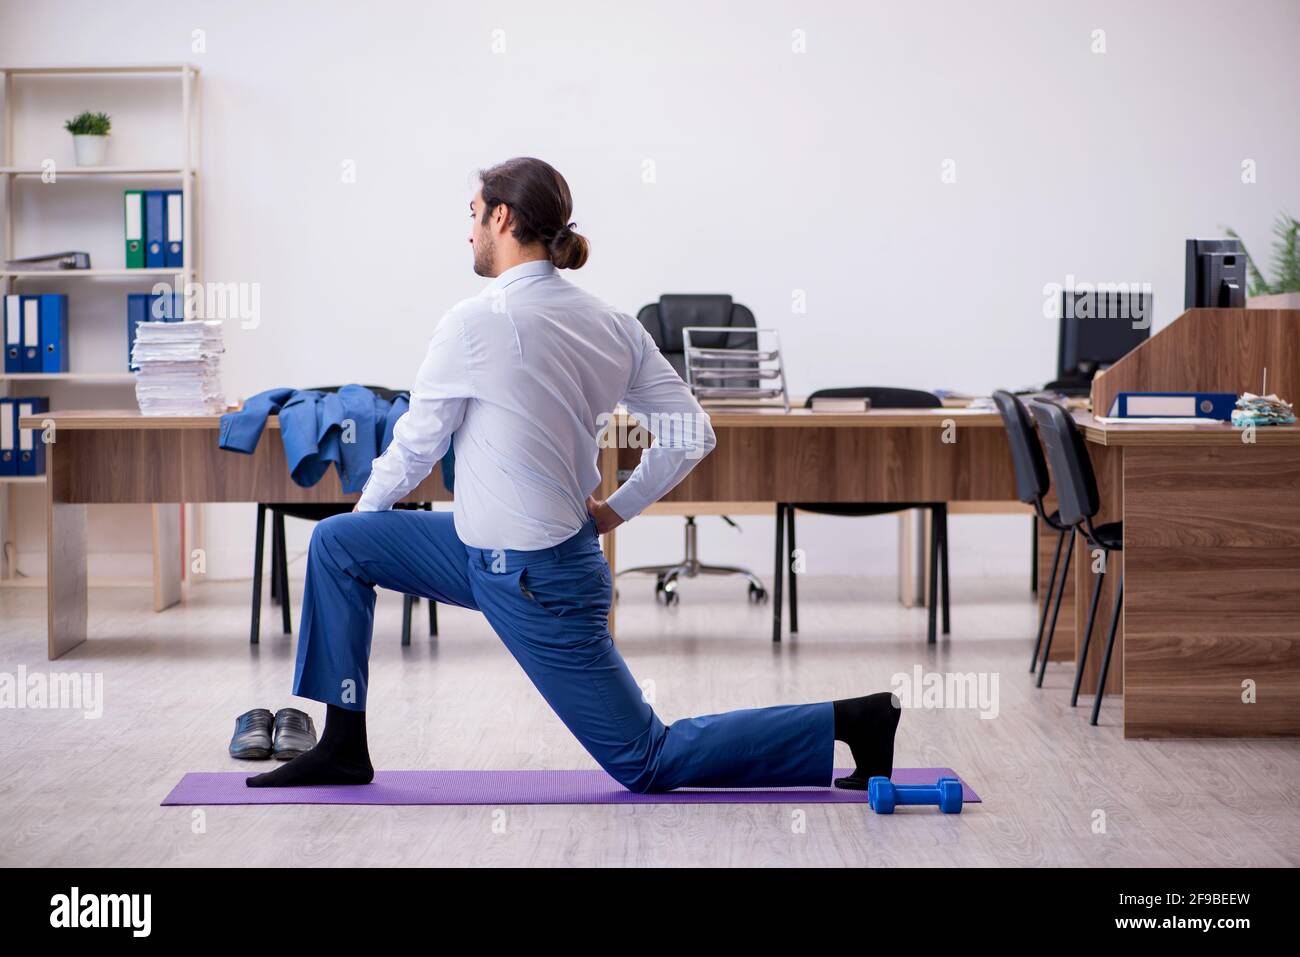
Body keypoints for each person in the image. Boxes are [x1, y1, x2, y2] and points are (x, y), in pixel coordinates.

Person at [248, 157, 900, 792]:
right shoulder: (611, 323)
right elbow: (690, 432)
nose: (468, 231)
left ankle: (851, 721)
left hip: (538, 581)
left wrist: (374, 510)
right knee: (338, 545)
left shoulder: (475, 322)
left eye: (474, 215)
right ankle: (342, 746)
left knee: (648, 761)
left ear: (502, 218)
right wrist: (614, 510)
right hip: (484, 554)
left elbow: (418, 443)